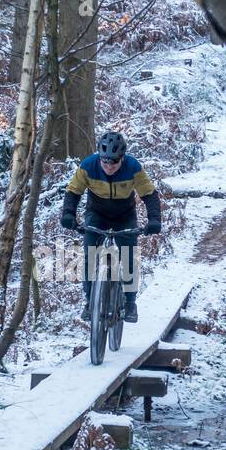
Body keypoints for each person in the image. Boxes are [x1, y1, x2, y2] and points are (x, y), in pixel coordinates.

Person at [60, 131, 162, 323]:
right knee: (90, 256)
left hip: (125, 216)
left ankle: (130, 302)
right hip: (96, 215)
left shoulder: (133, 167)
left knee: (129, 256)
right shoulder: (88, 166)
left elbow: (149, 194)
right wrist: (68, 214)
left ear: (122, 158)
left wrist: (154, 220)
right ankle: (90, 302)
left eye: (114, 162)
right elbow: (73, 192)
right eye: (105, 161)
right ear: (99, 157)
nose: (108, 166)